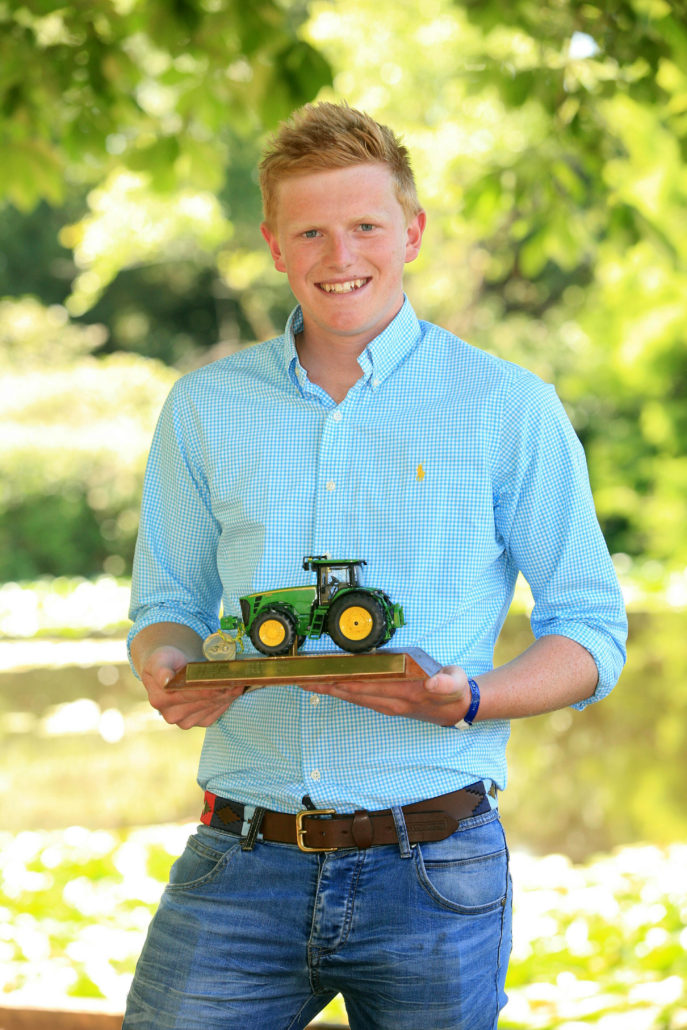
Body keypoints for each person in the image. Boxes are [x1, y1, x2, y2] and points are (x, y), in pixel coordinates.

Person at [123, 102, 627, 1030]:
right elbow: (167, 602)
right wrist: (164, 661)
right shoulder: (203, 408)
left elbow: (590, 630)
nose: (337, 253)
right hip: (240, 855)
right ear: (275, 245)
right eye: (309, 230)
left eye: (363, 226)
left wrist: (470, 697)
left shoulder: (506, 406)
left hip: (435, 864)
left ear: (412, 232)